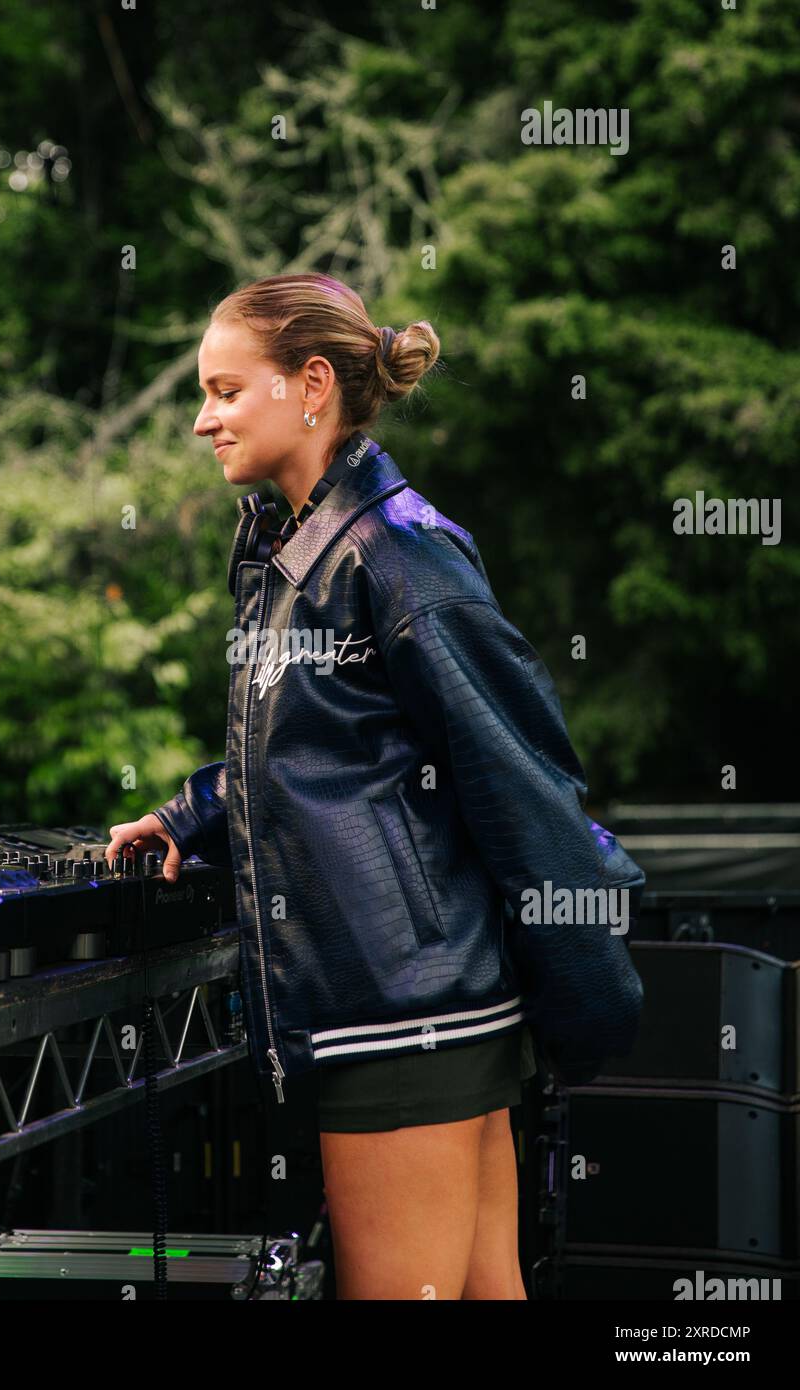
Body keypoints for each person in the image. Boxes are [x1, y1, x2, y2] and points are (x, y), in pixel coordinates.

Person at [104, 271, 644, 1300]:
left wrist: (587, 993)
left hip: (401, 1021)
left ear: (311, 384)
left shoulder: (394, 554)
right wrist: (189, 815)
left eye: (224, 390)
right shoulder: (292, 553)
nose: (198, 418)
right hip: (417, 1016)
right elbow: (324, 749)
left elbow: (519, 778)